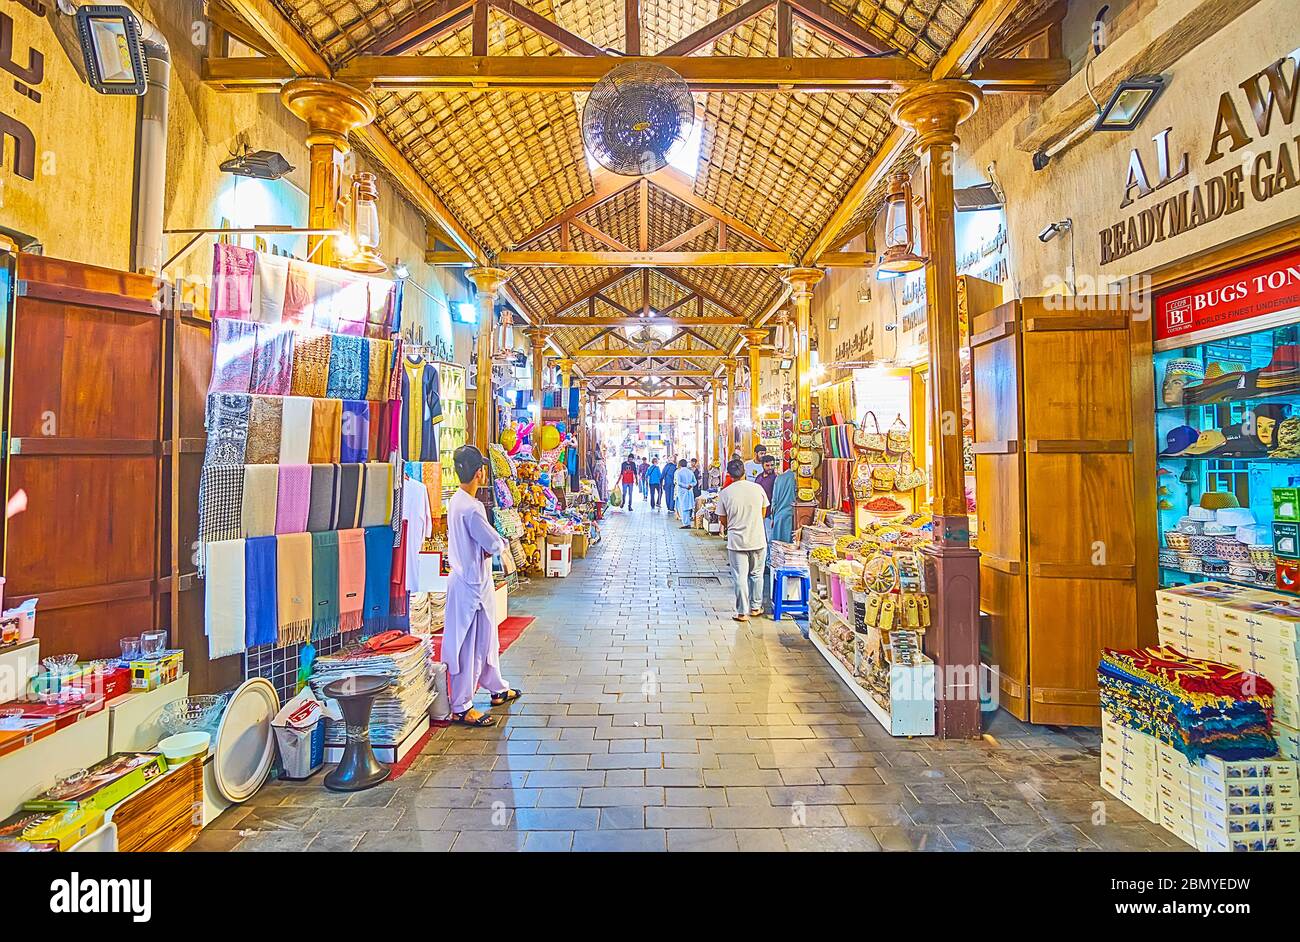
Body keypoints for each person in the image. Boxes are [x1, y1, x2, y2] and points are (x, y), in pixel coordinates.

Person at [443, 445, 521, 727]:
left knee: (487, 640)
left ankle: (497, 687)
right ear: (479, 473)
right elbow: (493, 542)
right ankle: (462, 705)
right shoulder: (472, 508)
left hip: (471, 581)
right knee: (470, 646)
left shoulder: (455, 501)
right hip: (472, 585)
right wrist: (497, 544)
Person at [716, 458, 769, 622]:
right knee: (757, 575)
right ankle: (755, 607)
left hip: (737, 541)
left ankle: (741, 612)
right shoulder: (757, 488)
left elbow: (722, 519)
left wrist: (734, 523)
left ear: (729, 475)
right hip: (758, 539)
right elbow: (764, 512)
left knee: (740, 577)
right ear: (745, 472)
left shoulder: (725, 493)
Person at [768, 466, 797, 544]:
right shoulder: (797, 479)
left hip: (779, 517)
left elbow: (774, 501)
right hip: (793, 517)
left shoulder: (779, 478)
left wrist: (772, 517)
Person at [674, 458, 696, 529]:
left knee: (683, 507)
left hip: (682, 492)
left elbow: (679, 483)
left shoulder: (679, 472)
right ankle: (687, 523)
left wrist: (686, 486)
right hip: (689, 491)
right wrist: (690, 485)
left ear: (680, 464)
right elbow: (695, 482)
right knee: (688, 507)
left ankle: (686, 523)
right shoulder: (690, 472)